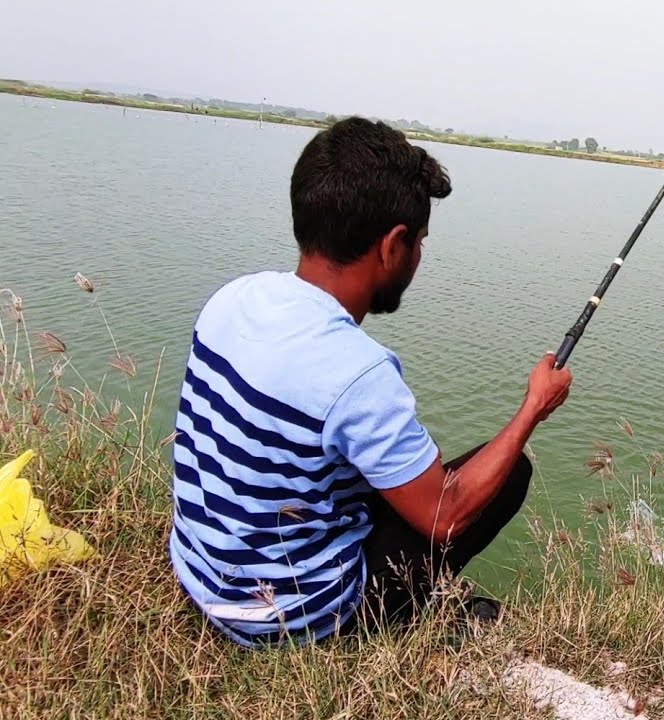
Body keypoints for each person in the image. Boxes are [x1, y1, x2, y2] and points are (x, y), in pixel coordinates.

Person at [166, 116, 572, 648]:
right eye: (419, 242)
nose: (419, 257)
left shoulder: (234, 297)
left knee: (391, 474)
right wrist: (533, 408)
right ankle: (403, 616)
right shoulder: (358, 371)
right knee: (508, 473)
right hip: (286, 620)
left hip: (200, 577)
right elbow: (446, 518)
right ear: (392, 245)